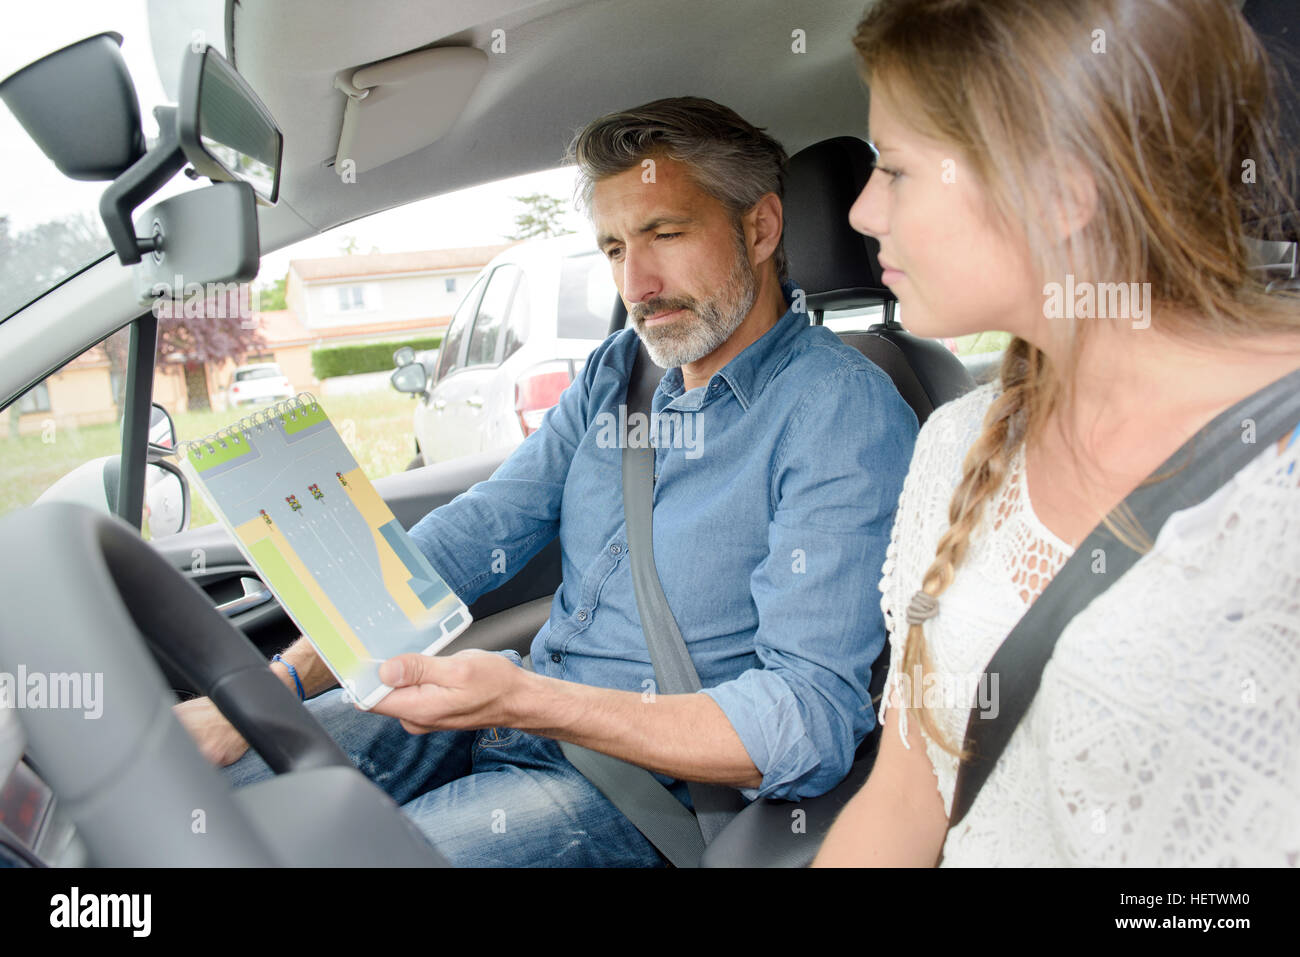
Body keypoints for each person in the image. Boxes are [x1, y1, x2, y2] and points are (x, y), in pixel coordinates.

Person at [176, 96, 919, 866]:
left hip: (644, 792)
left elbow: (809, 715)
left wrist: (533, 700)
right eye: (612, 248)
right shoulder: (618, 373)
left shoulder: (841, 414)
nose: (638, 281)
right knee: (198, 798)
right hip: (516, 717)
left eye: (665, 234)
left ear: (760, 228)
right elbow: (481, 531)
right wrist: (273, 690)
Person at [814, 0, 1300, 867]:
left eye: (895, 170)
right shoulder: (959, 443)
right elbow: (907, 793)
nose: (859, 212)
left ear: (1060, 192)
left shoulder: (1277, 483)